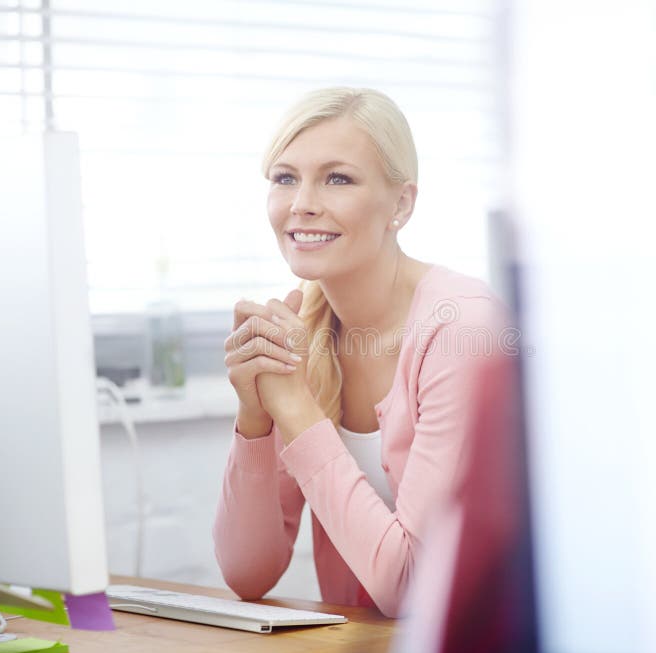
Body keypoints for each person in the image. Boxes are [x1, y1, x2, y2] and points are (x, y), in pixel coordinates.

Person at [213, 87, 513, 619]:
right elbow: (248, 573)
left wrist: (297, 408)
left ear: (401, 203)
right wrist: (255, 415)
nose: (302, 202)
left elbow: (417, 591)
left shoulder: (463, 326)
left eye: (338, 178)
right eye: (285, 177)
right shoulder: (304, 324)